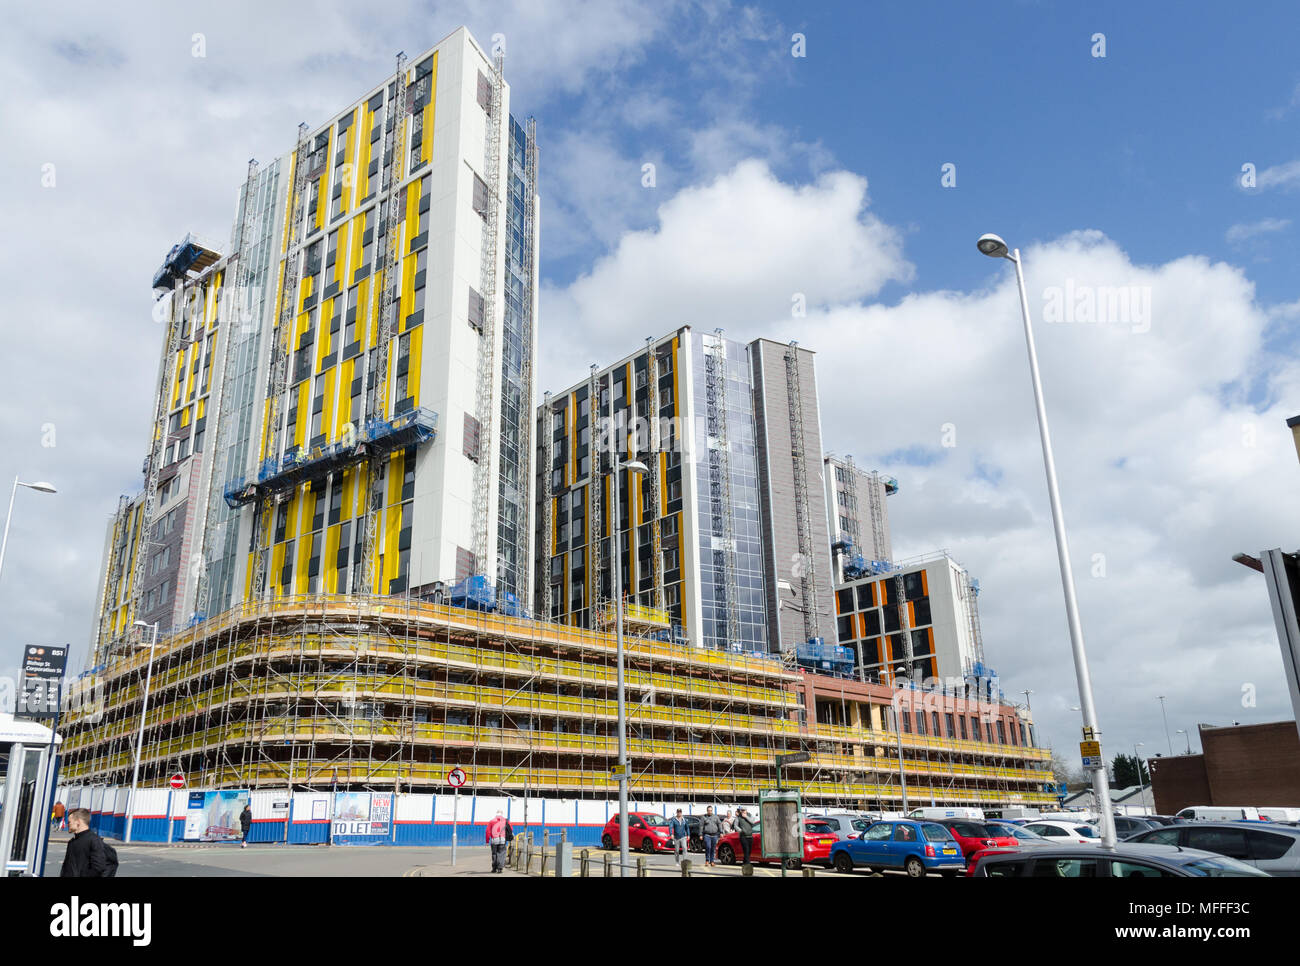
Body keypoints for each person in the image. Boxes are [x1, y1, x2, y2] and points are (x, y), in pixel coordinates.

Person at [61, 808, 111, 877]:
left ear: (78, 822)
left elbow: (98, 868)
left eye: (69, 822)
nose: (67, 824)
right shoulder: (72, 842)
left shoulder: (94, 840)